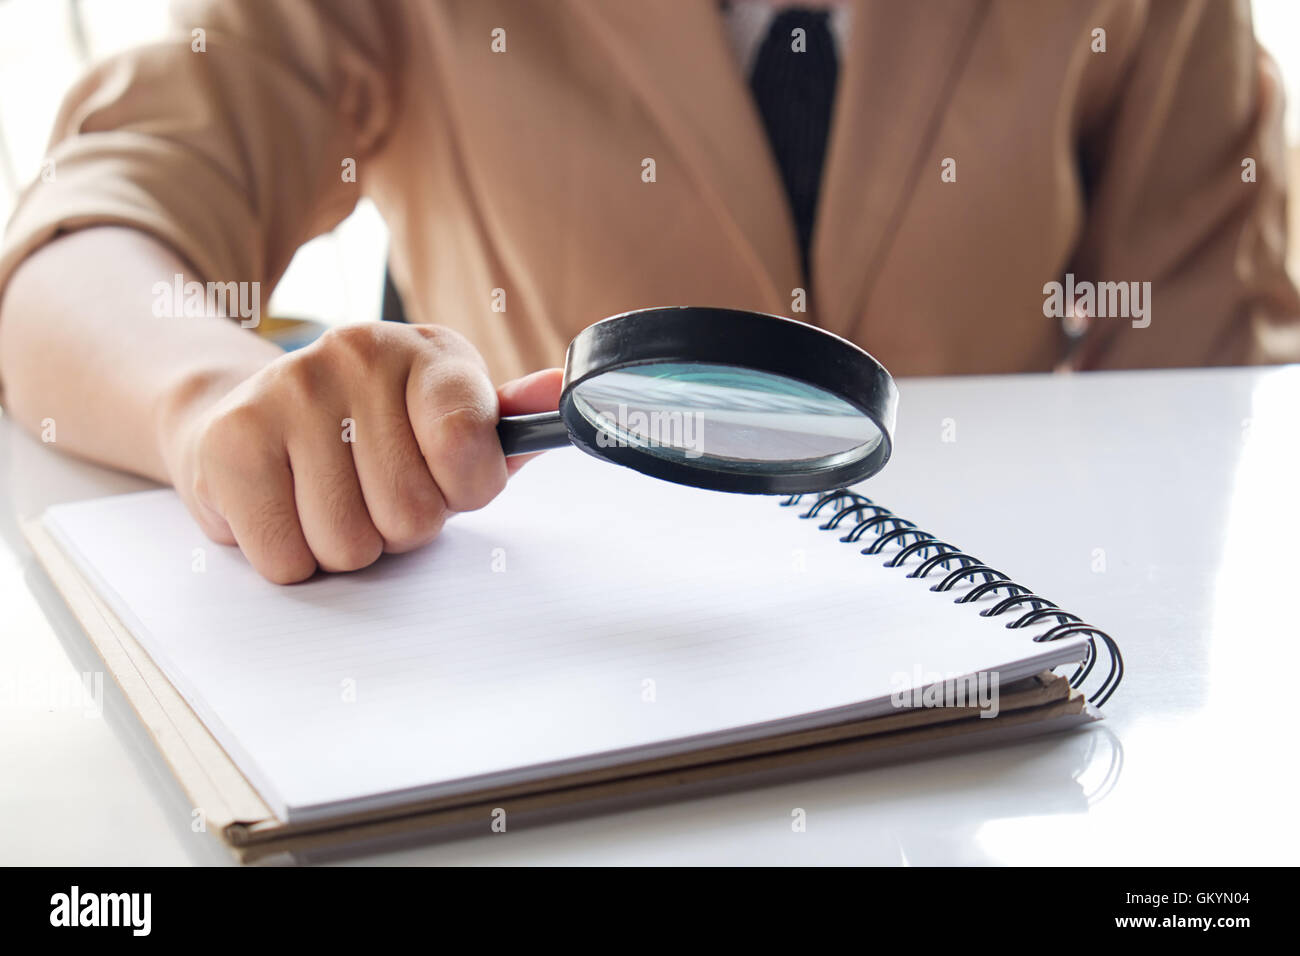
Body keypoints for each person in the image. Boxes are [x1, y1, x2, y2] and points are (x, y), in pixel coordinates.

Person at [0, 0, 1297, 583]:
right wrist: (214, 399)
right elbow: (84, 241)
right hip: (552, 697)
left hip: (992, 714)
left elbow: (1213, 410)